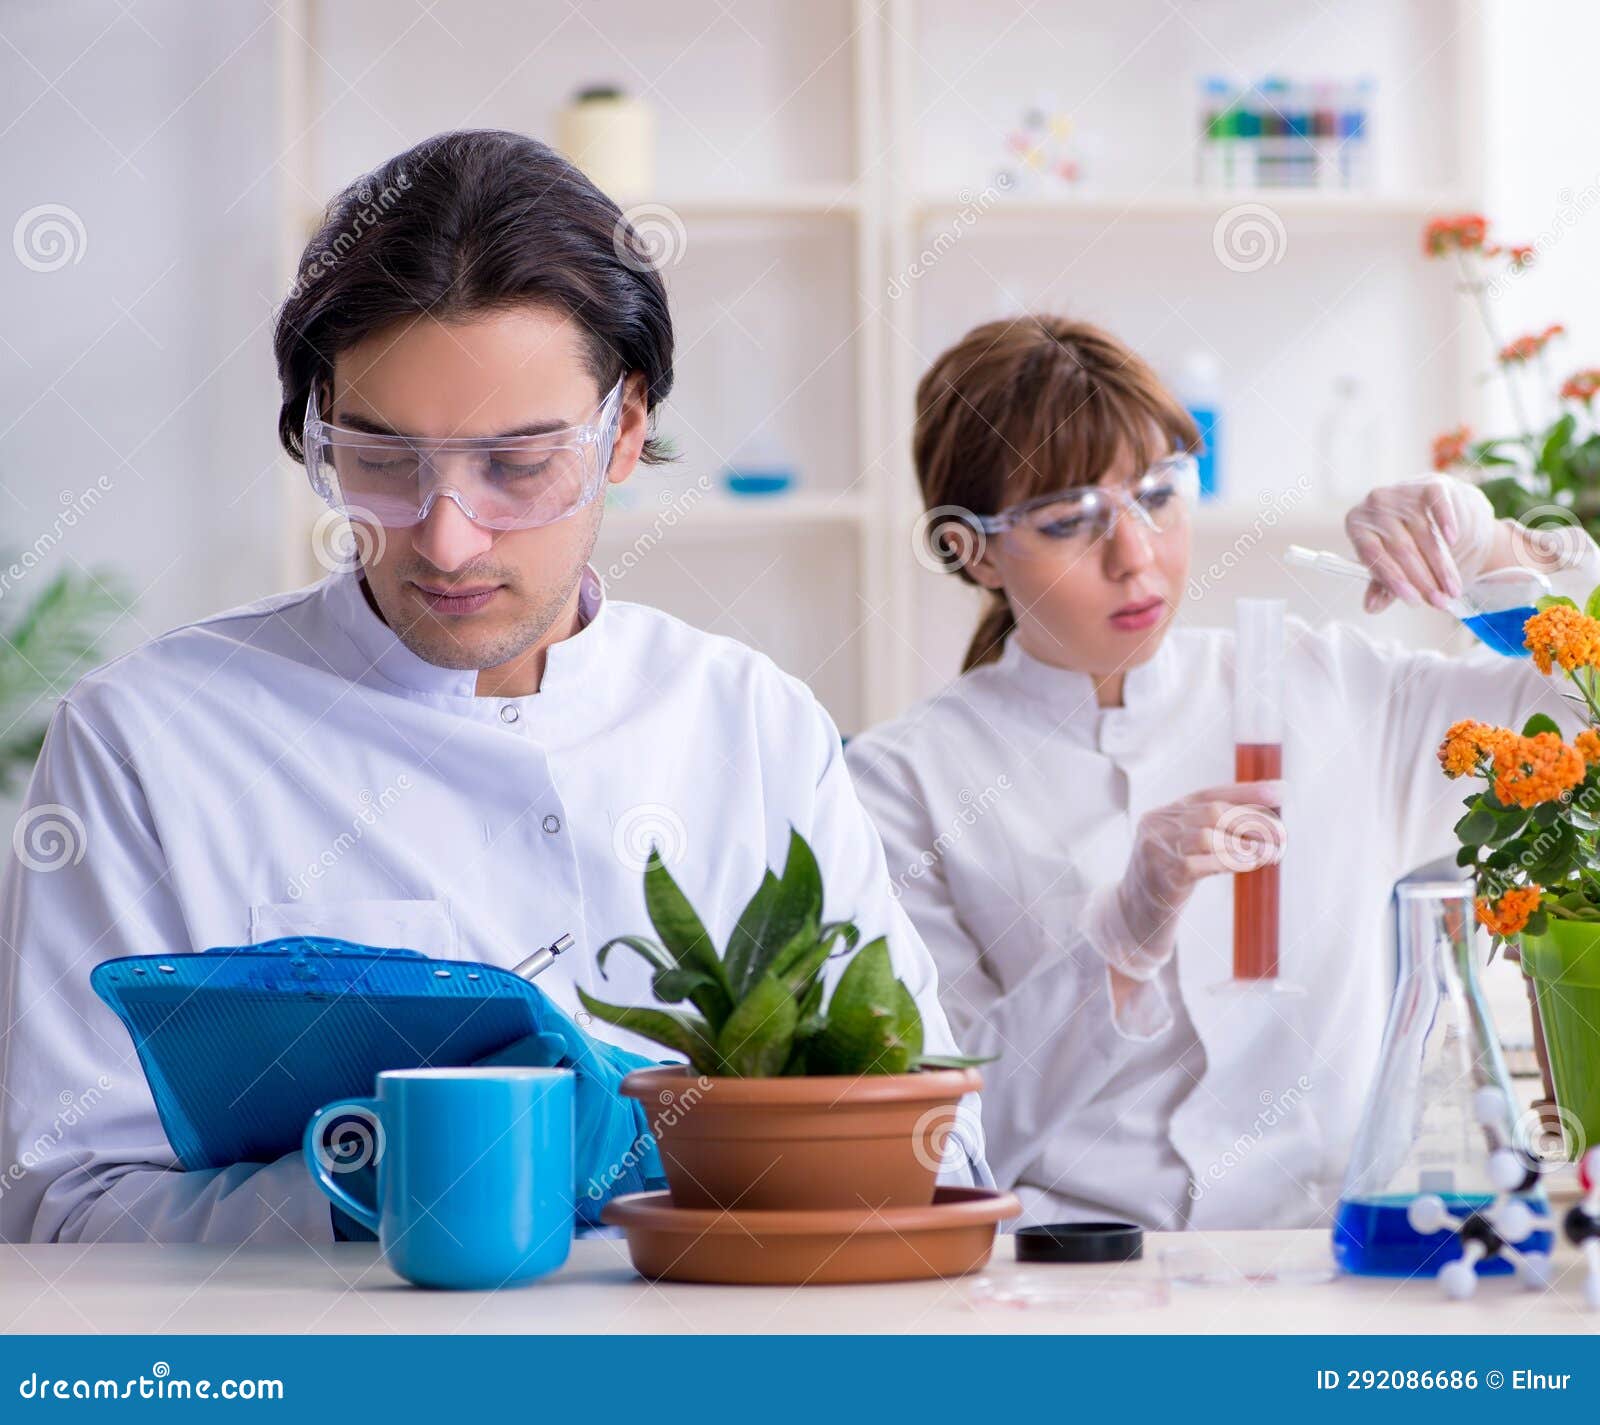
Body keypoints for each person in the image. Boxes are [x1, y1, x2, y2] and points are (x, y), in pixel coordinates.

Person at [0, 130, 983, 1245]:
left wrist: (702, 1156)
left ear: (626, 433)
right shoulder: (149, 740)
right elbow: (62, 1211)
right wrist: (394, 1179)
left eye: (518, 466)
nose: (448, 538)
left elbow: (933, 1139)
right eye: (380, 459)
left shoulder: (748, 722)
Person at [844, 314, 1597, 1231]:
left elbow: (1576, 716)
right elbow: (938, 1134)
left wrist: (1491, 554)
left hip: (1337, 1268)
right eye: (1070, 521)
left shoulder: (1332, 688)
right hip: (1071, 1290)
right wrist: (1114, 949)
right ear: (972, 547)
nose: (1136, 555)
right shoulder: (900, 783)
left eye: (1158, 494)